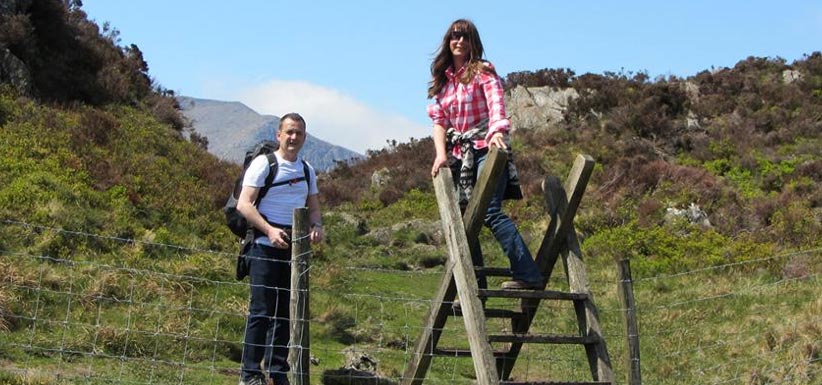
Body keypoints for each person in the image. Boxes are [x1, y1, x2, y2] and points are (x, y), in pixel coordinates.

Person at [427, 19, 543, 298]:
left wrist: (496, 133)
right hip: (460, 155)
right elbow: (440, 121)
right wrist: (441, 155)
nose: (460, 42)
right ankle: (474, 285)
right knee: (463, 220)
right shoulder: (443, 82)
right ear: (448, 41)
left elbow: (496, 104)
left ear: (473, 42)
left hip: (487, 148)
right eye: (455, 36)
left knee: (488, 211)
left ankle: (528, 275)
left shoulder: (483, 71)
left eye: (466, 37)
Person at [236, 112, 323, 385]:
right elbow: (244, 204)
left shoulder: (307, 170)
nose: (293, 137)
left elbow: (315, 207)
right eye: (289, 132)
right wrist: (270, 231)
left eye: (298, 133)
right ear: (279, 135)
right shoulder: (264, 164)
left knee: (286, 312)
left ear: (304, 137)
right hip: (263, 247)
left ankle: (277, 372)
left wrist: (317, 225)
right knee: (260, 312)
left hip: (295, 252)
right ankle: (250, 375)